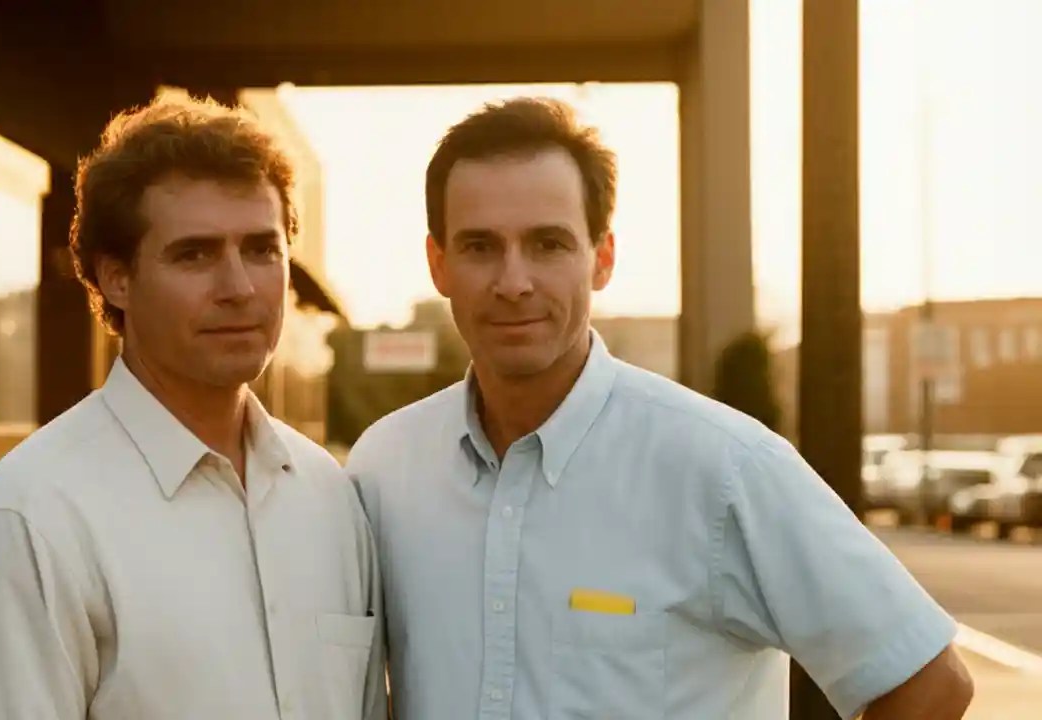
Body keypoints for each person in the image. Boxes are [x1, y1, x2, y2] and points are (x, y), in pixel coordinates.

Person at [347, 97, 973, 719]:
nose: (514, 281)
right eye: (480, 246)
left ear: (603, 258)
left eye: (548, 244)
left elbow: (929, 681)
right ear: (438, 263)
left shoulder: (723, 467)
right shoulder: (387, 470)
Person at [0, 95, 385, 720]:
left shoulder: (329, 498)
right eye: (194, 253)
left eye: (261, 249)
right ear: (116, 278)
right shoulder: (24, 523)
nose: (240, 288)